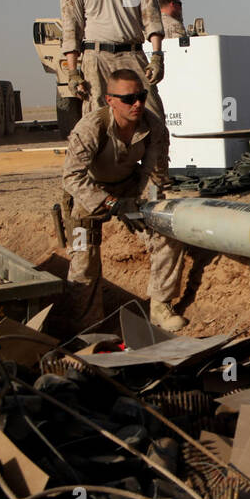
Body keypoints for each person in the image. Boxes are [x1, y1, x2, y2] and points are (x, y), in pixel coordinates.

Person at [61, 69, 186, 331]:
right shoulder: (90, 128)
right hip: (87, 195)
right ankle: (87, 327)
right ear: (110, 100)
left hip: (129, 188)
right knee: (84, 260)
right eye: (129, 99)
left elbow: (154, 176)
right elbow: (72, 178)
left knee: (166, 232)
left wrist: (145, 207)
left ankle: (161, 306)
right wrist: (110, 204)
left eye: (140, 96)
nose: (138, 104)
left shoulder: (154, 127)